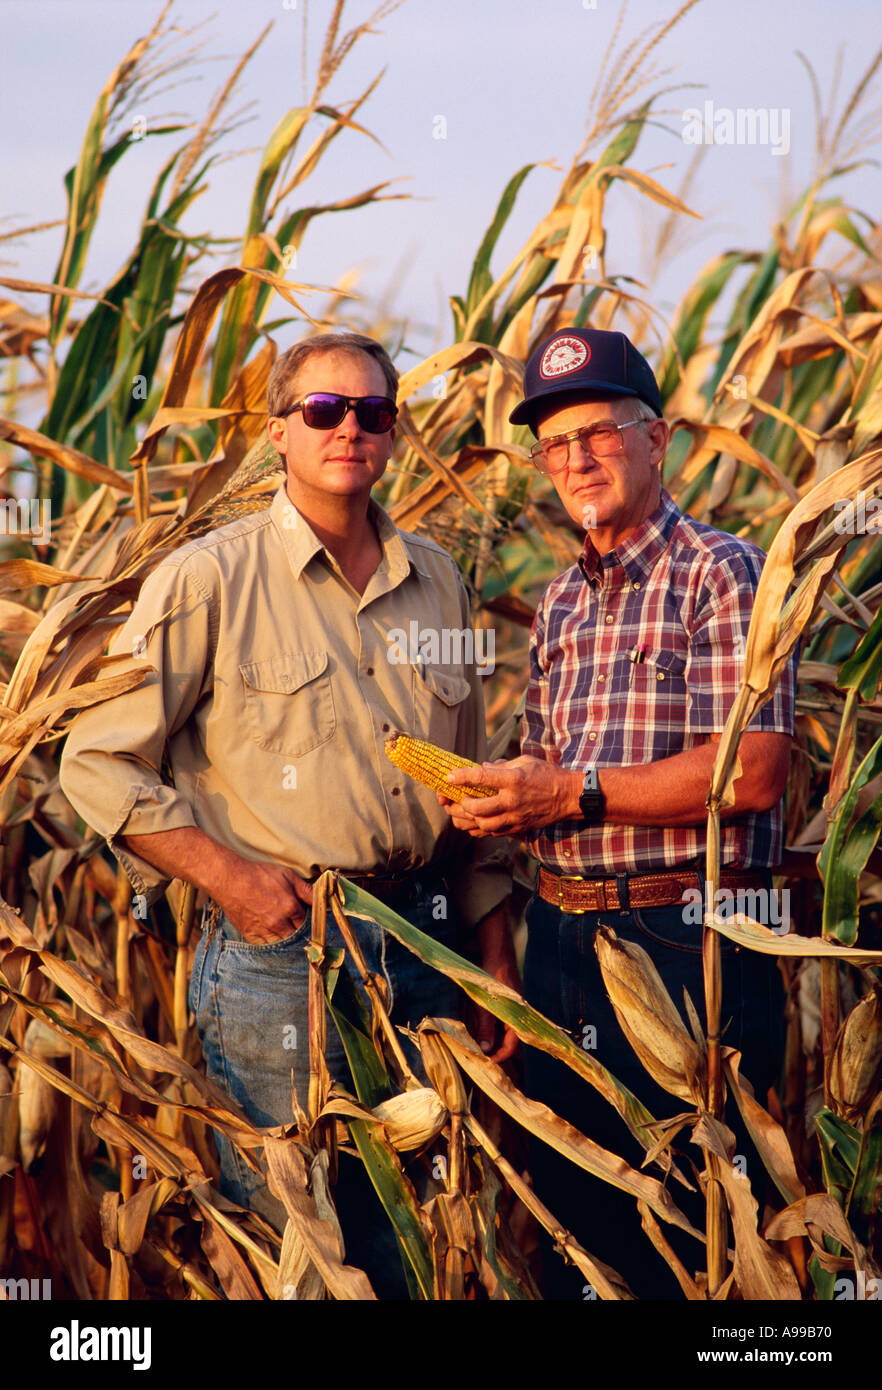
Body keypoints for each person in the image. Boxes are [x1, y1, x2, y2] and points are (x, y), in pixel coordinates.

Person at [59, 331, 517, 1296]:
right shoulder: (209, 579)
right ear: (277, 432)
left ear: (394, 431)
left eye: (373, 412)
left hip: (422, 945)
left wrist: (494, 966)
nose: (350, 428)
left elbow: (471, 783)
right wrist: (231, 879)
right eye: (323, 411)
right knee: (295, 1245)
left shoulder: (438, 579)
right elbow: (97, 760)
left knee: (419, 1234)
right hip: (280, 956)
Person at [440, 326, 796, 1299]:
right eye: (555, 445)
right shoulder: (559, 602)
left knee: (691, 1227)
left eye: (599, 432)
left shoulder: (723, 571)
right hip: (561, 938)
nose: (576, 459)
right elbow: (551, 763)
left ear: (658, 440)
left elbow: (757, 766)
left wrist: (571, 792)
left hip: (685, 938)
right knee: (582, 1223)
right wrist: (508, 796)